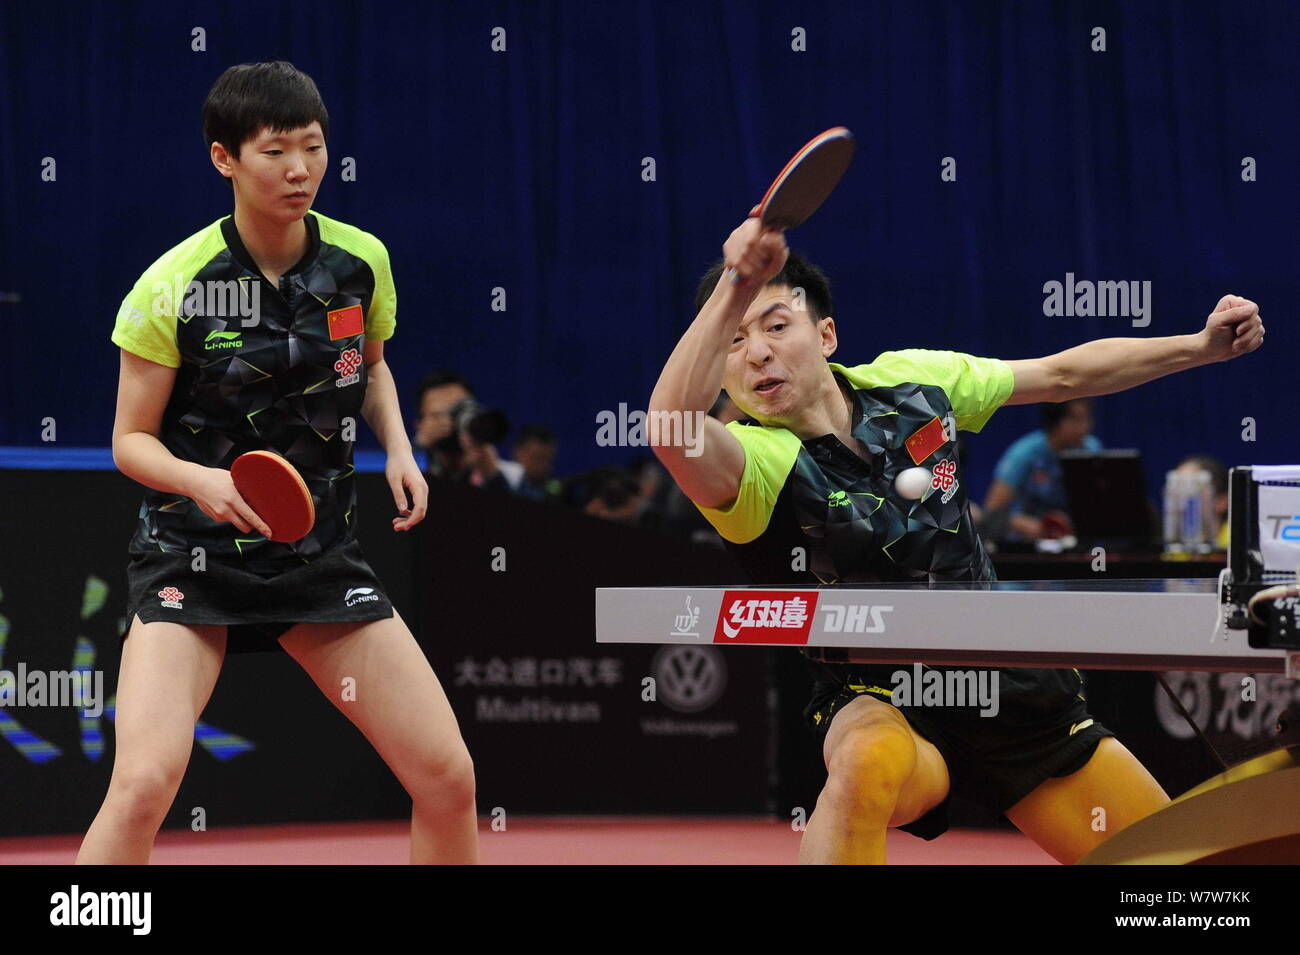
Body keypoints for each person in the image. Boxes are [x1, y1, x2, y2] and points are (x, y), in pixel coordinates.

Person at [648, 211, 1264, 864]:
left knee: (1181, 872)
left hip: (1012, 687)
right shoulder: (755, 464)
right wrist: (739, 280)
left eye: (776, 325)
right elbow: (669, 429)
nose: (759, 352)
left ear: (826, 333)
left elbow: (1061, 375)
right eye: (735, 342)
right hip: (883, 699)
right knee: (862, 764)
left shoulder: (914, 384)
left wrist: (1199, 346)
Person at [82, 62, 477, 864]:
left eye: (314, 147)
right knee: (144, 784)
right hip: (191, 556)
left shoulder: (360, 261)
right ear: (224, 158)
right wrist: (204, 481)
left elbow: (370, 366)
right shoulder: (173, 285)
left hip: (318, 554)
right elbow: (130, 441)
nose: (300, 169)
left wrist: (400, 448)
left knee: (447, 775)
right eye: (275, 151)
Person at [983, 399, 1100, 542]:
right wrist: (1022, 523)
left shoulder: (1092, 450)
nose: (1084, 427)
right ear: (1054, 421)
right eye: (1076, 419)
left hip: (1074, 542)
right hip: (1027, 544)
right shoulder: (1024, 453)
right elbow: (991, 512)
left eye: (1087, 419)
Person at [512, 424, 563, 503]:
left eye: (548, 460)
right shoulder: (500, 483)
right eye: (537, 458)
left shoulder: (556, 490)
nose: (543, 466)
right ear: (518, 453)